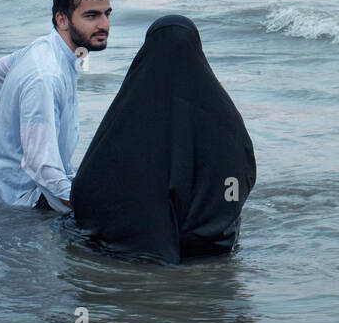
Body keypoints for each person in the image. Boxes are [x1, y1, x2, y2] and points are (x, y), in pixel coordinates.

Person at [71, 15, 256, 263]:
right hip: (206, 243)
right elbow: (238, 176)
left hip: (129, 239)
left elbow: (90, 184)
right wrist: (216, 217)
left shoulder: (128, 113)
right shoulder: (222, 116)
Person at [0, 0, 111, 210]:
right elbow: (42, 168)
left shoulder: (43, 48)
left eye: (107, 14)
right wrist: (88, 209)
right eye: (91, 15)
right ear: (62, 20)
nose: (104, 25)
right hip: (28, 207)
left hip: (19, 195)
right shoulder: (45, 76)